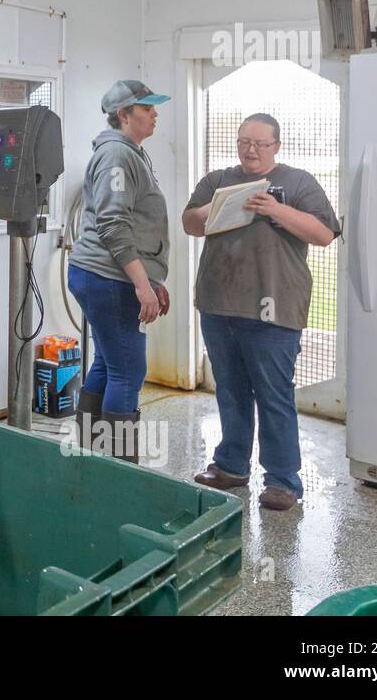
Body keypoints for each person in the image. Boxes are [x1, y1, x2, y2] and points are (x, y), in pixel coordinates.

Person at [182, 113, 340, 511]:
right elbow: (189, 223)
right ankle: (231, 466)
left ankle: (283, 481)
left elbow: (323, 234)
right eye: (244, 142)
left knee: (273, 395)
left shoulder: (299, 182)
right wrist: (214, 209)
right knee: (231, 391)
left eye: (260, 144)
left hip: (274, 308)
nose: (250, 150)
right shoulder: (217, 180)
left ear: (276, 146)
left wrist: (274, 209)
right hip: (219, 304)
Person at [68, 80, 171, 461]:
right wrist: (143, 287)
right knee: (128, 370)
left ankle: (92, 458)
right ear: (124, 114)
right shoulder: (116, 155)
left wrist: (153, 280)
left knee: (108, 362)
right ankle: (121, 470)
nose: (155, 114)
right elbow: (113, 224)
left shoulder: (131, 152)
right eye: (147, 108)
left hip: (103, 276)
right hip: (108, 278)